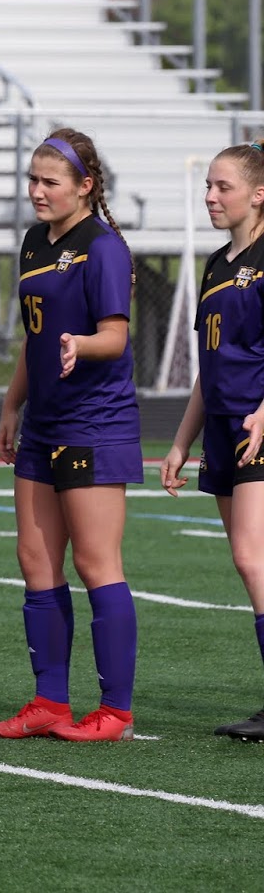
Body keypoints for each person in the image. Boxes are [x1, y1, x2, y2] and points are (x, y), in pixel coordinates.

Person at [0, 127, 141, 742]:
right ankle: (50, 701)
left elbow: (116, 337)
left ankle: (115, 711)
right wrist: (11, 405)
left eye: (50, 181)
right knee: (35, 558)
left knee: (96, 562)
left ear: (85, 186)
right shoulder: (34, 242)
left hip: (94, 421)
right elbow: (35, 337)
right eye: (33, 179)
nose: (37, 190)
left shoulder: (102, 248)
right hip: (44, 422)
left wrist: (81, 344)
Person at [160, 140, 264, 742]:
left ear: (258, 194)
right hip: (223, 430)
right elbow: (211, 363)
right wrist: (182, 441)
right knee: (251, 562)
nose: (211, 196)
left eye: (224, 187)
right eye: (209, 186)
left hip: (257, 425)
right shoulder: (217, 264)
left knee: (252, 557)